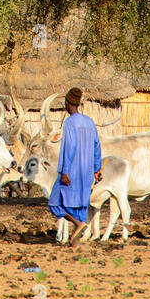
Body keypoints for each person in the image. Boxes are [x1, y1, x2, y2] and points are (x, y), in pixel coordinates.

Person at [47, 87, 102, 243]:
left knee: (54, 202)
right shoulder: (89, 122)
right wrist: (97, 170)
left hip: (71, 172)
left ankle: (77, 224)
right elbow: (96, 146)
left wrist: (65, 172)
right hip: (86, 173)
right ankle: (75, 244)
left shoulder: (70, 123)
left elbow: (69, 148)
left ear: (67, 103)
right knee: (80, 206)